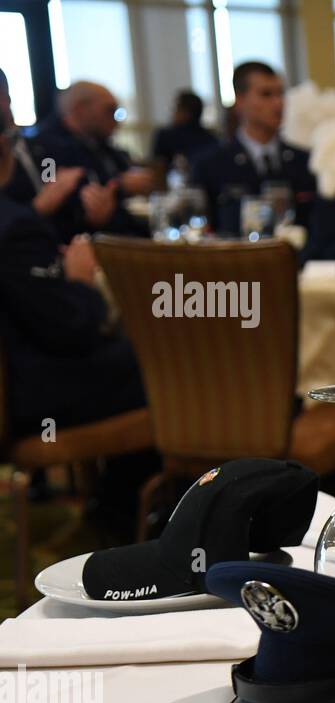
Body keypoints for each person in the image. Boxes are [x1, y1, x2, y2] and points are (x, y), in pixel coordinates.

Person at [0, 133, 145, 440]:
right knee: (169, 361)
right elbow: (73, 329)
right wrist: (80, 278)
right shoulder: (15, 227)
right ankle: (134, 486)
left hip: (26, 381)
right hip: (32, 398)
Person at [190, 61, 316, 237]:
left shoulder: (305, 162)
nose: (278, 103)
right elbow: (203, 233)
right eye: (266, 94)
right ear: (240, 101)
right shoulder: (210, 165)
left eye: (281, 94)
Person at [0, 67, 113, 242]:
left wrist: (92, 213)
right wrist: (37, 207)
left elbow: (53, 186)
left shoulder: (41, 148)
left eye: (4, 96)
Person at [31, 81, 152, 237]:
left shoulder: (98, 142)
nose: (117, 119)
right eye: (110, 110)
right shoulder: (44, 149)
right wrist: (120, 186)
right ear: (80, 110)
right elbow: (57, 202)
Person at [150, 90, 217, 177]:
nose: (173, 113)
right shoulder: (211, 138)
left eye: (177, 108)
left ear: (187, 113)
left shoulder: (166, 136)